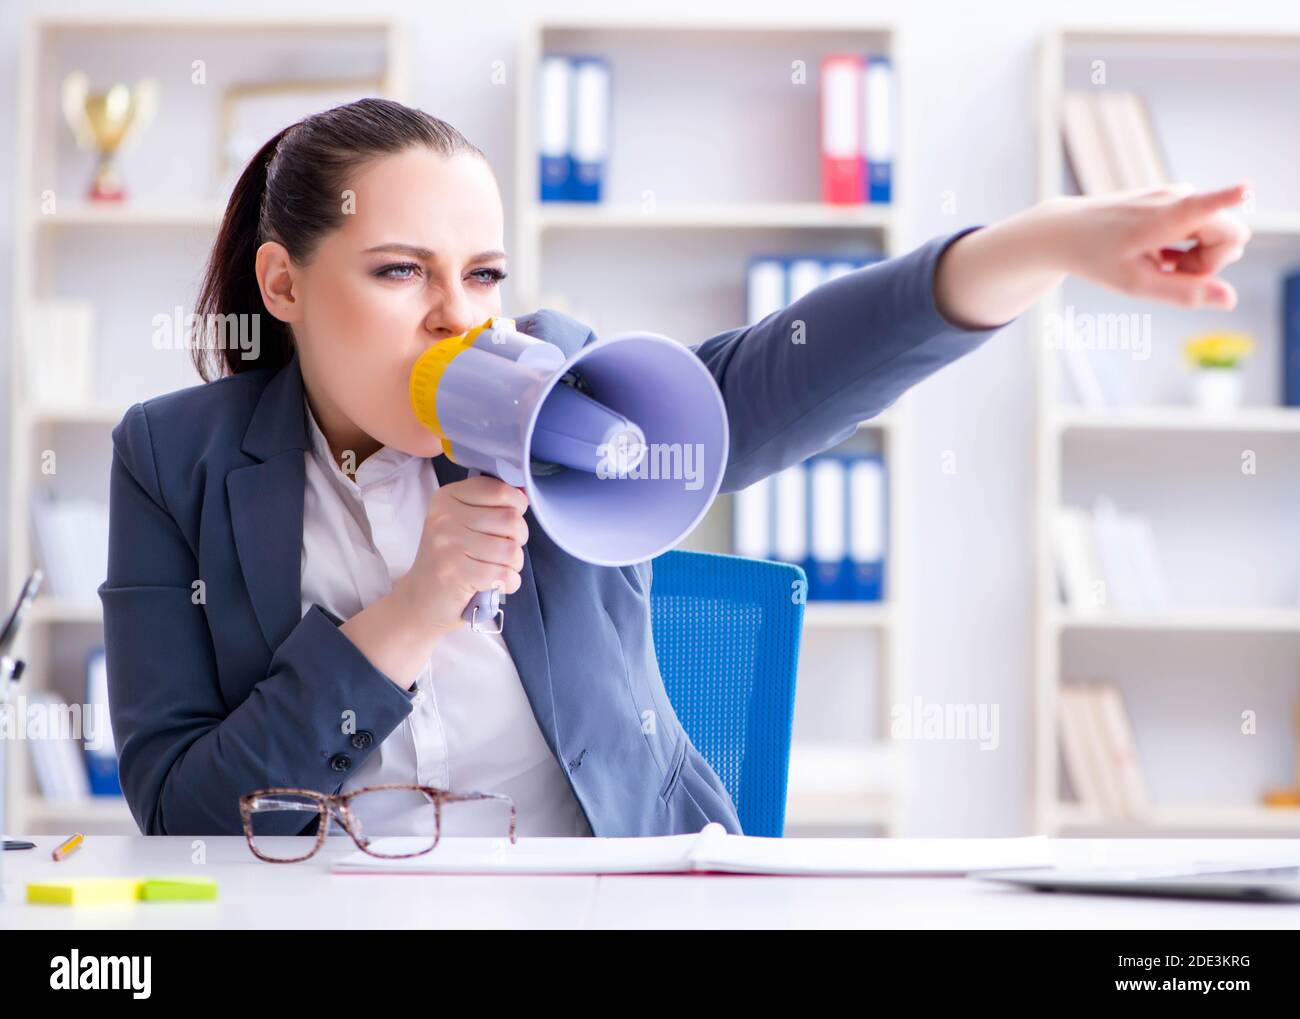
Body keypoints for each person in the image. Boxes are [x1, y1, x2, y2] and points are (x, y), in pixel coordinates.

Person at [99, 98, 1249, 837]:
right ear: (285, 285)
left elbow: (771, 383)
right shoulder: (173, 458)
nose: (459, 320)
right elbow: (184, 804)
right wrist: (405, 615)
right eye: (402, 272)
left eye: (485, 275)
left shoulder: (549, 392)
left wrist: (1040, 244)